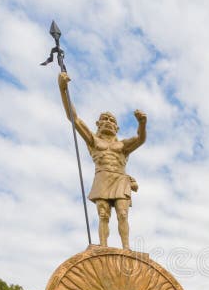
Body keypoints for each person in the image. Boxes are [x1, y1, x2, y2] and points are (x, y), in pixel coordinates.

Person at [58, 72, 147, 250]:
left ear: (117, 127)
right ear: (98, 124)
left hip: (120, 179)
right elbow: (73, 118)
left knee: (122, 213)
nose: (108, 122)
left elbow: (140, 139)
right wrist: (63, 88)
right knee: (103, 214)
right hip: (102, 177)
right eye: (104, 119)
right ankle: (104, 247)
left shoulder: (123, 145)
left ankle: (126, 248)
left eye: (112, 120)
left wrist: (142, 123)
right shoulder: (94, 141)